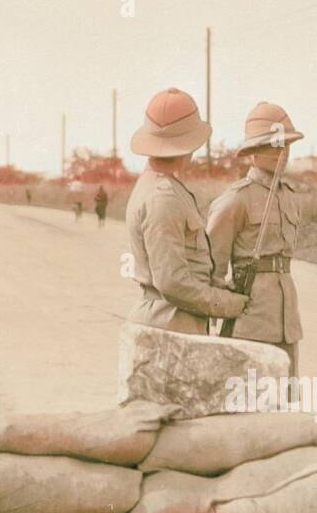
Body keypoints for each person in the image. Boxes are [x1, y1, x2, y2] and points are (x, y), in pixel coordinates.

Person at [124, 88, 248, 333]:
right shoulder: (164, 197)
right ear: (189, 146)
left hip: (168, 321)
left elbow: (178, 266)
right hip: (169, 325)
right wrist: (229, 304)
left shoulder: (155, 185)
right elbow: (172, 282)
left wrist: (215, 285)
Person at [206, 102, 304, 375]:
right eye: (273, 146)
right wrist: (221, 308)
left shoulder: (291, 198)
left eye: (286, 145)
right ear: (253, 153)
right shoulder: (236, 200)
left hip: (286, 320)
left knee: (285, 400)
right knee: (249, 402)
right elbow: (211, 267)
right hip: (249, 320)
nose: (282, 153)